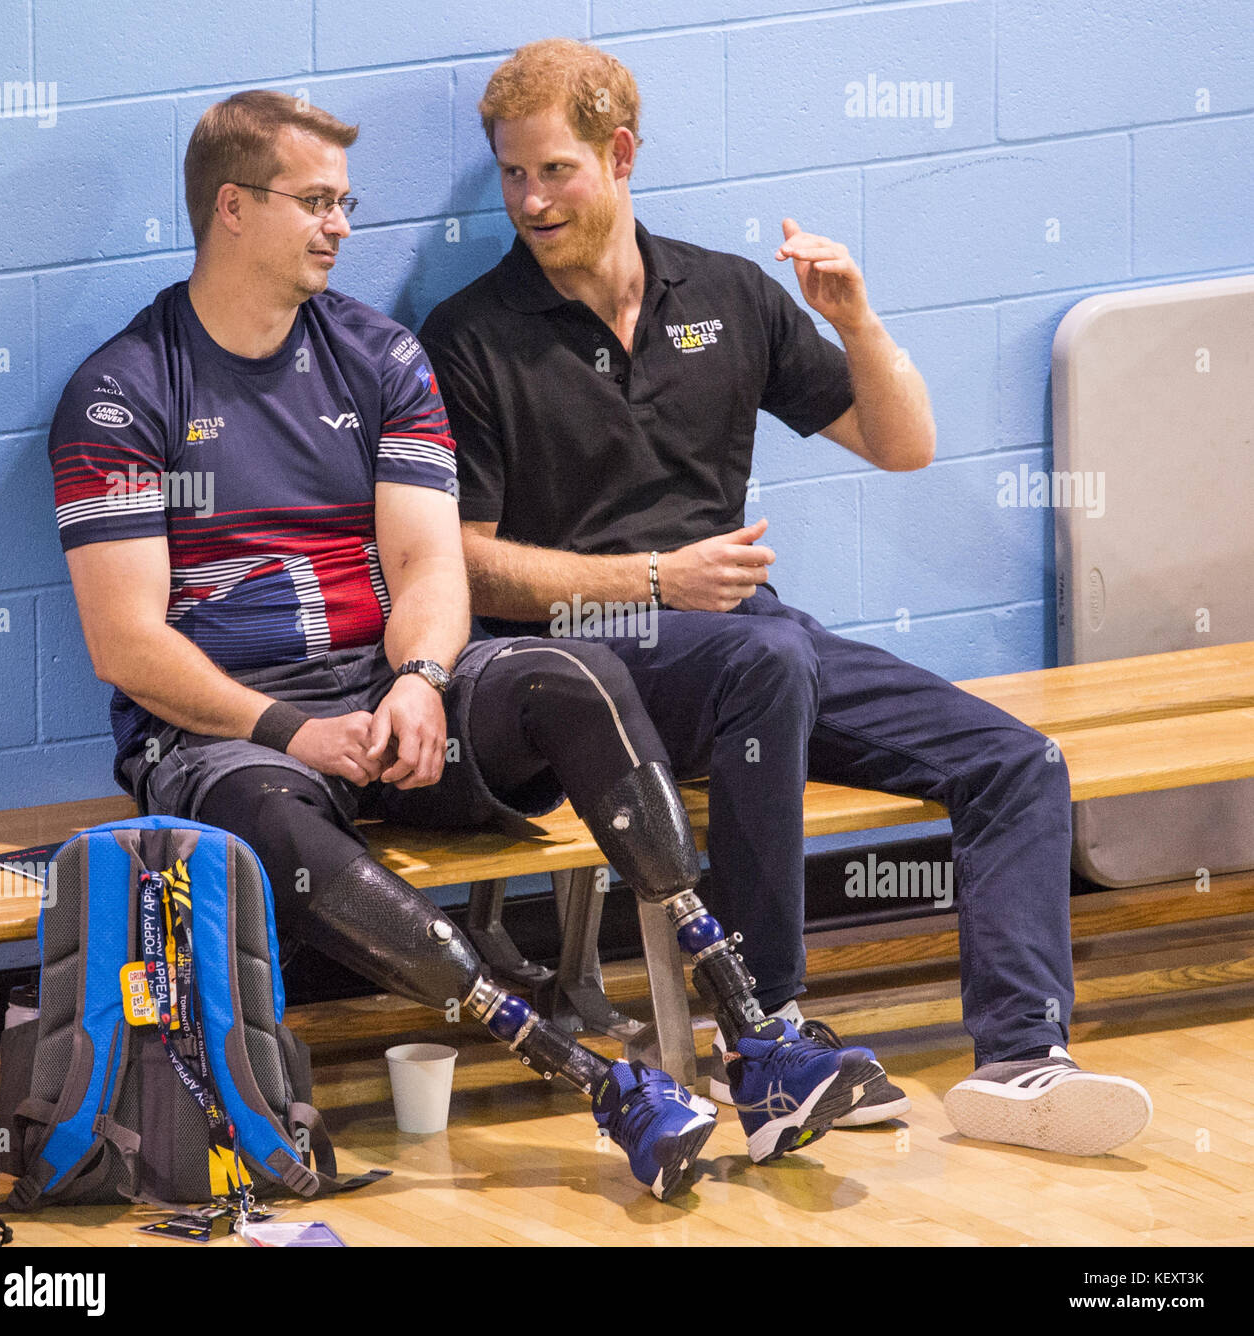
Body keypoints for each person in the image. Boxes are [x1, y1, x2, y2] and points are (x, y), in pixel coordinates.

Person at [46, 89, 889, 1203]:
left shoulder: (380, 357)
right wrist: (301, 729)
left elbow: (433, 566)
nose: (342, 225)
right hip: (230, 734)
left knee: (567, 675)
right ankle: (594, 1077)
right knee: (258, 811)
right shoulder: (122, 391)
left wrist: (422, 679)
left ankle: (755, 1039)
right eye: (315, 202)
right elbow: (125, 643)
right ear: (233, 210)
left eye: (346, 201)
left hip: (387, 699)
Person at [419, 39, 1154, 1156]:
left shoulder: (723, 294)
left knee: (1014, 760)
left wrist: (855, 319)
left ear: (620, 155)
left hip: (749, 643)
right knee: (768, 659)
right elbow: (461, 560)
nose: (529, 199)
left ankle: (1020, 1058)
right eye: (513, 174)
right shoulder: (470, 336)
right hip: (586, 662)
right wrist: (655, 580)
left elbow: (902, 444)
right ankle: (765, 1043)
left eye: (555, 170)